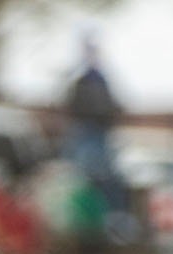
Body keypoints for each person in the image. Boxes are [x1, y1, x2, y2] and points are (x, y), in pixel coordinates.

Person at [62, 35, 126, 214]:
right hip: (85, 133)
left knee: (104, 176)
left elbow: (114, 106)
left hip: (98, 133)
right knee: (81, 176)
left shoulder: (101, 80)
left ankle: (112, 215)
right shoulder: (81, 80)